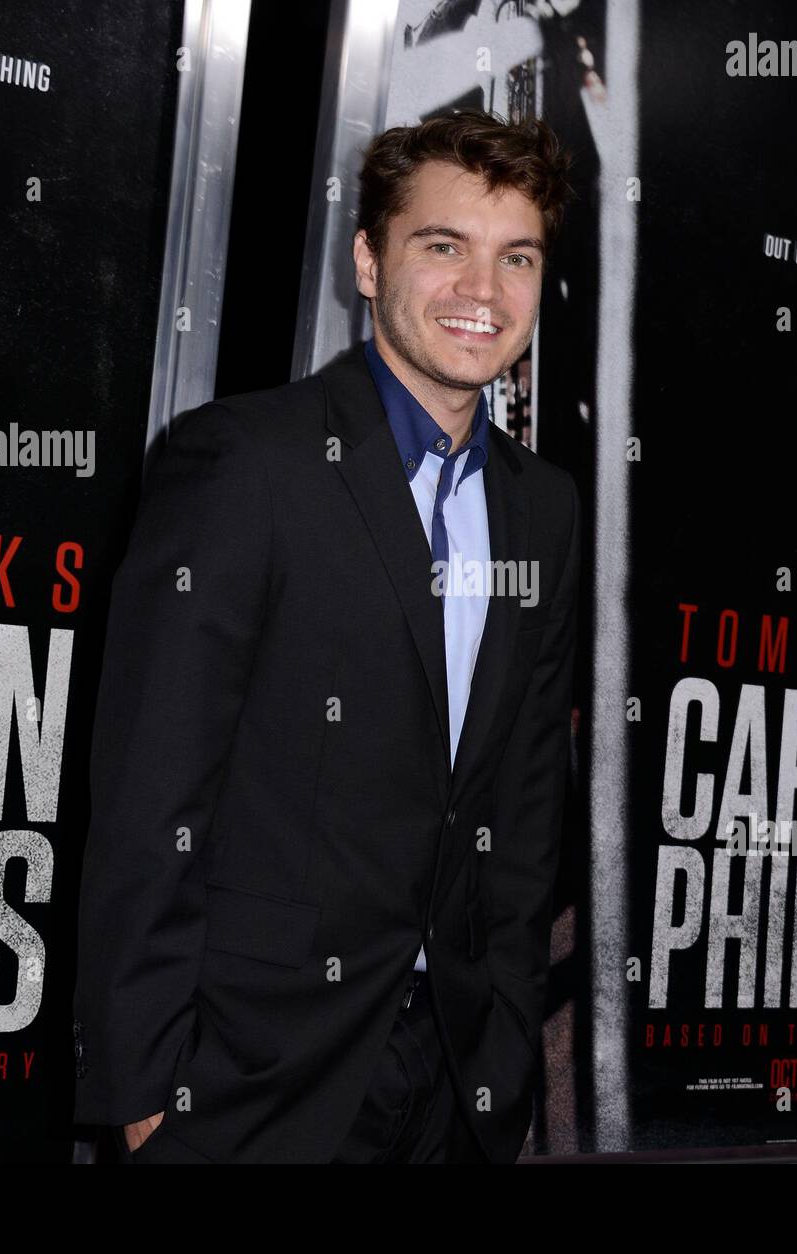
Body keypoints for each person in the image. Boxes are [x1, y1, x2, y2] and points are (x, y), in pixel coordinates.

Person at [71, 107, 579, 1163]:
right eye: (443, 247)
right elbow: (148, 792)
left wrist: (505, 1049)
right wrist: (147, 1083)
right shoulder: (245, 464)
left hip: (451, 1083)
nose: (482, 293)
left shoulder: (546, 509)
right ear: (367, 259)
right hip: (249, 1081)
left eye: (514, 257)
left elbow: (523, 812)